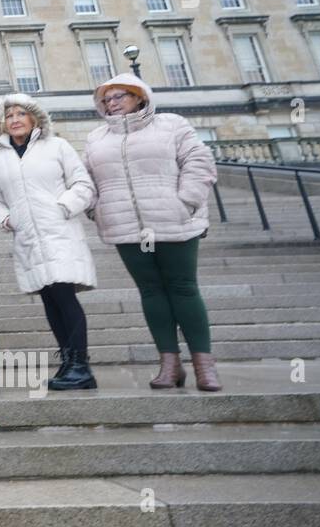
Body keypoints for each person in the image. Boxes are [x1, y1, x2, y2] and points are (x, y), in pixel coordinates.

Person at [83, 73, 222, 391]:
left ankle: (204, 366)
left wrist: (186, 201)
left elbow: (198, 160)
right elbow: (86, 177)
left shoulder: (171, 124)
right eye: (107, 99)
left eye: (119, 96)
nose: (112, 103)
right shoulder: (97, 137)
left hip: (174, 221)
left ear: (139, 97)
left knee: (184, 288)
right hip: (125, 226)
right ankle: (170, 365)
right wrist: (95, 209)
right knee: (150, 292)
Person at [0, 95, 98, 390]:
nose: (15, 119)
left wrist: (63, 207)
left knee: (64, 296)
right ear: (2, 123)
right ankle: (69, 363)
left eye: (22, 113)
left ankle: (80, 366)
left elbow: (83, 184)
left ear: (34, 118)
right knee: (50, 300)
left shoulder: (57, 146)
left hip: (59, 232)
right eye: (9, 116)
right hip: (28, 238)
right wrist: (7, 220)